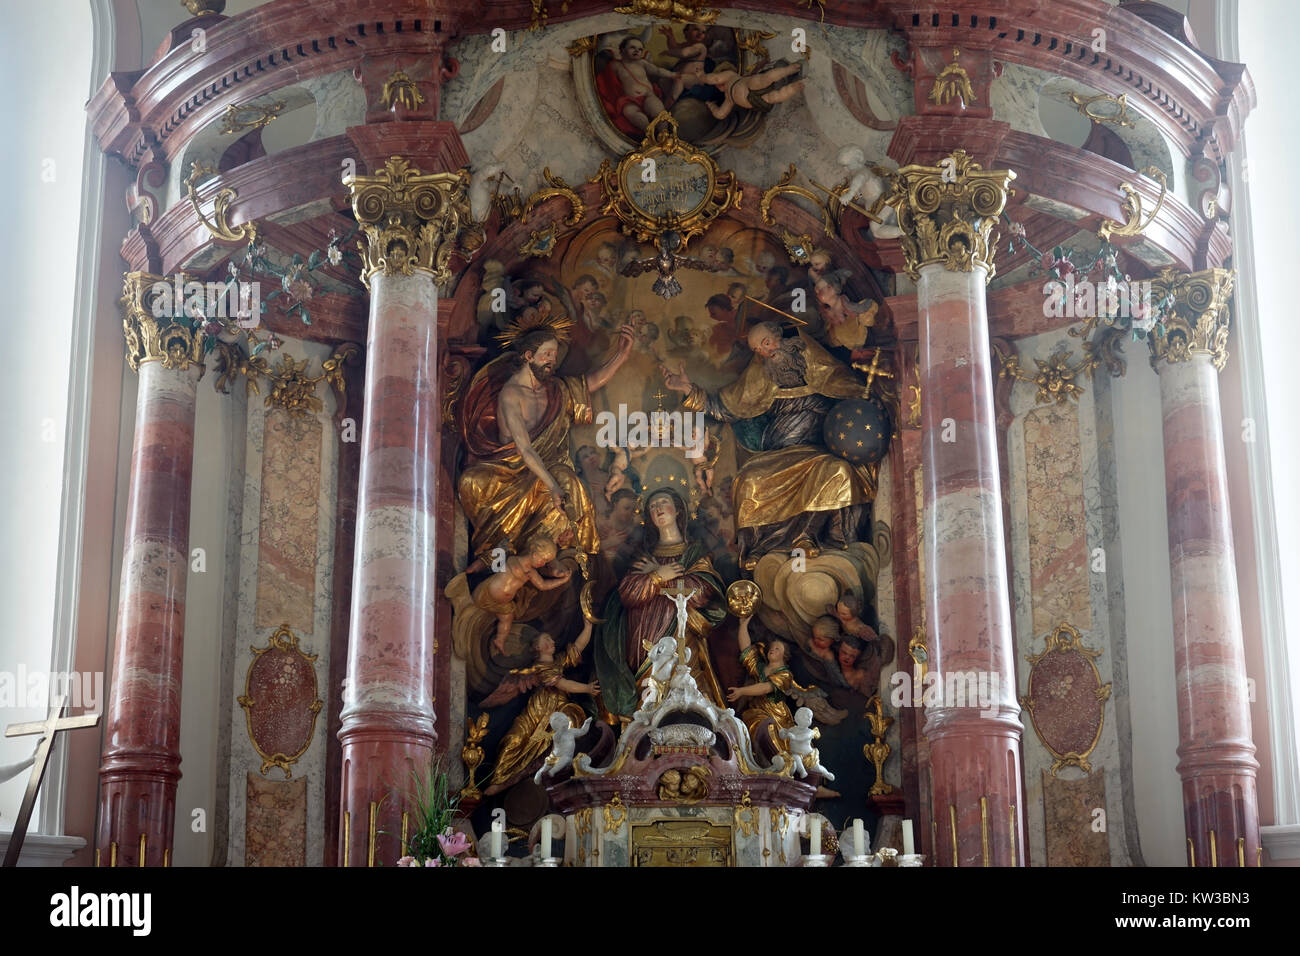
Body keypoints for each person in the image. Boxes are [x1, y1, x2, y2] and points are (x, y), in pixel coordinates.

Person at [661, 320, 877, 568]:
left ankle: (808, 538)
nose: (766, 352)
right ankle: (759, 549)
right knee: (747, 481)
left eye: (766, 343)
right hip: (777, 455)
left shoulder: (826, 372)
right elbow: (725, 408)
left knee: (838, 472)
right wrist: (688, 388)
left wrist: (869, 402)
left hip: (817, 453)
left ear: (780, 336)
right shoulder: (759, 379)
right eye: (758, 350)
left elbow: (854, 393)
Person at [458, 325, 635, 574]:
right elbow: (525, 450)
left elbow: (591, 382)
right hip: (510, 469)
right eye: (547, 354)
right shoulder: (510, 394)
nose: (552, 361)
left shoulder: (556, 390)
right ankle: (496, 553)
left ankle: (570, 556)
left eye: (554, 355)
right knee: (471, 482)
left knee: (570, 484)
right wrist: (551, 485)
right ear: (528, 356)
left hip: (551, 465)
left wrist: (622, 356)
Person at [594, 488, 727, 720]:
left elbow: (701, 592)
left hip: (680, 633)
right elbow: (628, 594)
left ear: (677, 510)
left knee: (685, 692)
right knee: (647, 698)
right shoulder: (643, 555)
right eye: (652, 506)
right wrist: (657, 576)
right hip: (642, 636)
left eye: (663, 502)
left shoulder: (694, 552)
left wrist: (659, 577)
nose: (657, 509)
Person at [480, 619, 600, 795]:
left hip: (557, 711)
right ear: (536, 647)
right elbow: (563, 684)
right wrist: (587, 688)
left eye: (552, 640)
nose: (552, 642)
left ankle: (542, 772)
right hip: (536, 712)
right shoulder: (539, 669)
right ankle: (500, 779)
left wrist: (588, 626)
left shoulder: (558, 662)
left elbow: (578, 647)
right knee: (514, 740)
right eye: (547, 640)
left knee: (559, 736)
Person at [472, 535, 573, 654]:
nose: (543, 564)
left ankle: (500, 640)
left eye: (546, 562)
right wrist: (561, 580)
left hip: (501, 603)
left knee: (507, 619)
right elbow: (543, 585)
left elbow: (543, 585)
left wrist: (561, 580)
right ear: (534, 554)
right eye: (543, 560)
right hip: (487, 591)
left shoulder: (529, 570)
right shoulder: (518, 562)